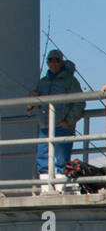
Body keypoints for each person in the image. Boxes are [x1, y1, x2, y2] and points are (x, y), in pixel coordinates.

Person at [29, 50, 85, 183]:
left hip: (62, 126)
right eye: (50, 60)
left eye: (57, 60)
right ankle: (45, 187)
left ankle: (60, 188)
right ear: (47, 62)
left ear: (62, 62)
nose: (53, 63)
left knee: (62, 159)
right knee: (42, 158)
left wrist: (69, 121)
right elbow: (32, 107)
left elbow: (80, 102)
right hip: (45, 126)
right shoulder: (42, 82)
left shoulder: (71, 81)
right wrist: (31, 101)